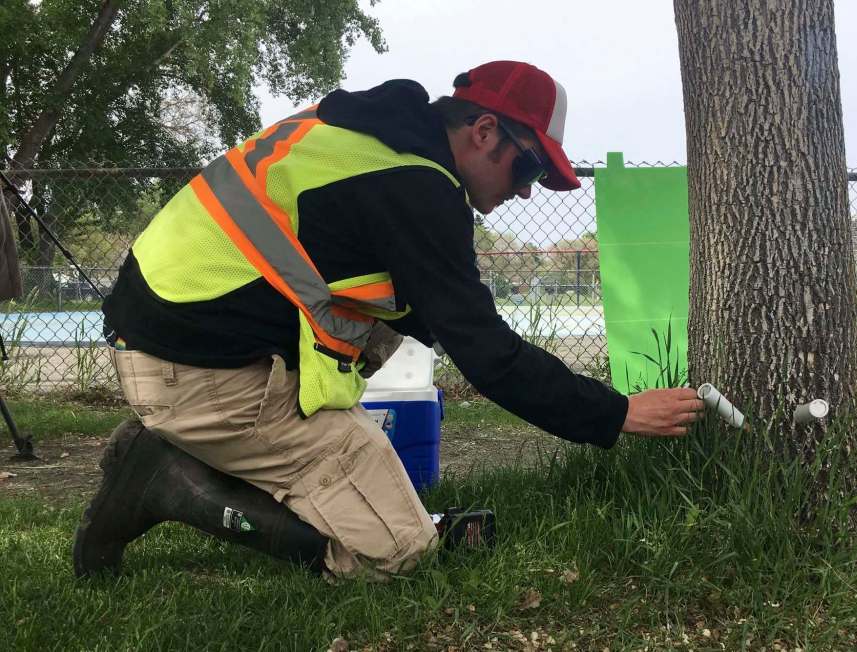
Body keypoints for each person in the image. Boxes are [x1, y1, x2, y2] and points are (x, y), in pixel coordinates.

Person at [73, 61, 704, 582]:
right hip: (198, 372)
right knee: (394, 553)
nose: (527, 192)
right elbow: (487, 356)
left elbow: (441, 321)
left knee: (387, 325)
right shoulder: (418, 186)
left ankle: (194, 443)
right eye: (530, 167)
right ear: (485, 131)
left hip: (172, 339)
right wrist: (615, 413)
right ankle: (162, 479)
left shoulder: (376, 137)